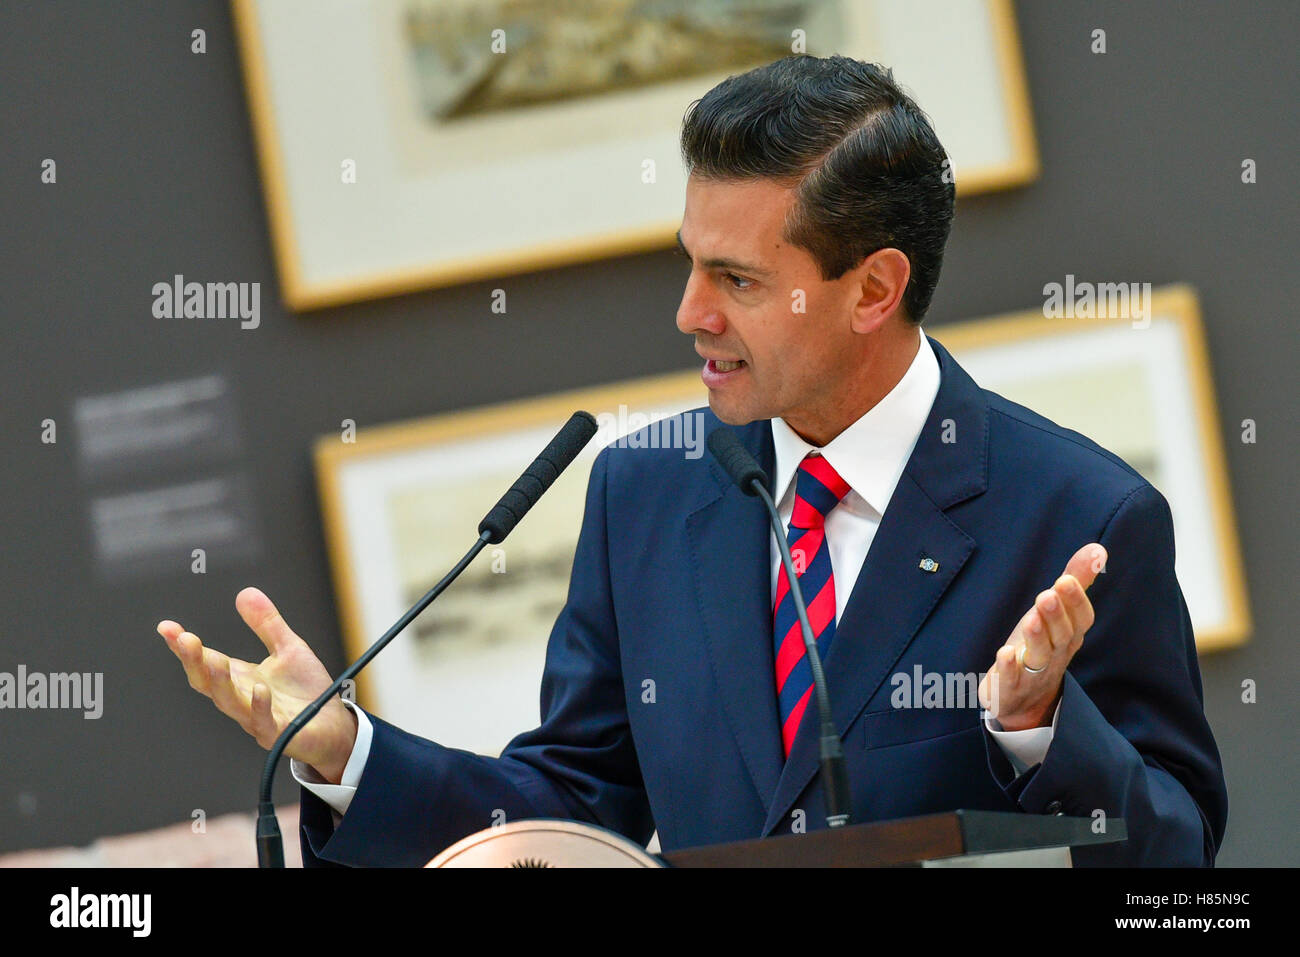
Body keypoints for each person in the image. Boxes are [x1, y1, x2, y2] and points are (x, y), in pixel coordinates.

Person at [159, 55, 1227, 866]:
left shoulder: (1081, 515)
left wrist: (1036, 729)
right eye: (689, 266)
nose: (690, 314)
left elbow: (1176, 862)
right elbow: (573, 806)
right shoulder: (645, 489)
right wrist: (345, 750)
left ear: (871, 289)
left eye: (739, 281)